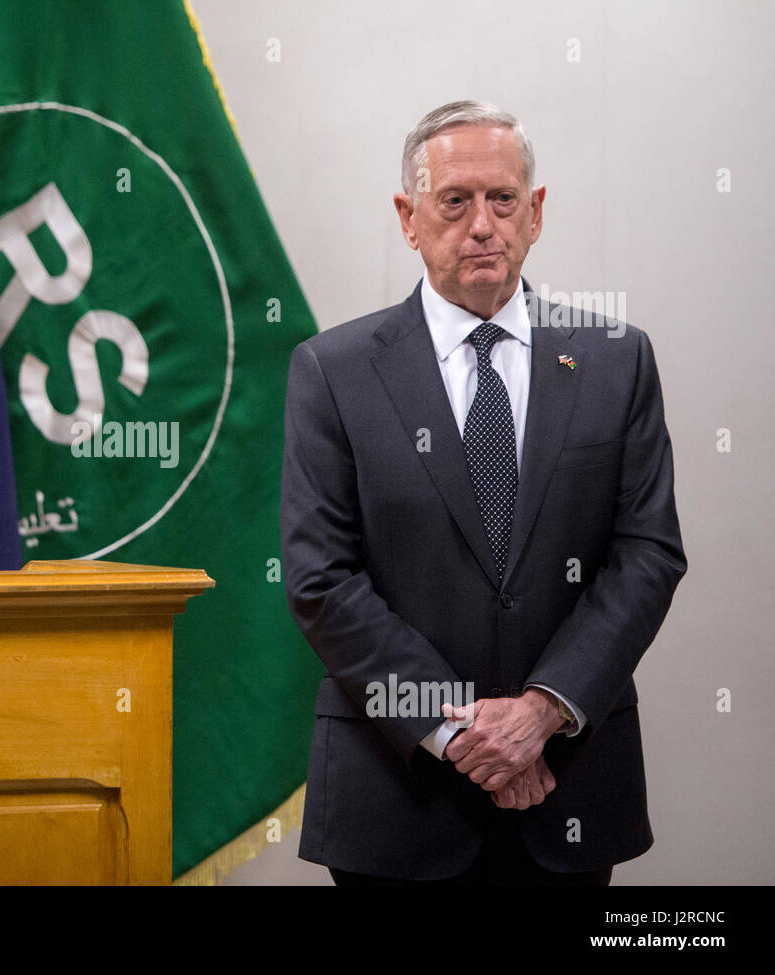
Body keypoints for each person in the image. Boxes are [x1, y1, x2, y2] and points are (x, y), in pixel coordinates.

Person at [280, 100, 686, 885]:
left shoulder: (616, 359)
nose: (482, 225)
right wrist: (460, 732)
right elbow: (321, 578)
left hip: (568, 788)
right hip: (398, 801)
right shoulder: (332, 371)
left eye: (503, 200)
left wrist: (540, 711)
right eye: (454, 201)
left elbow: (648, 554)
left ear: (535, 213)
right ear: (408, 217)